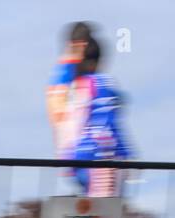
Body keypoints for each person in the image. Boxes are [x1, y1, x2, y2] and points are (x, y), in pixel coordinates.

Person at [67, 37, 132, 197]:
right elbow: (111, 123)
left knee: (89, 213)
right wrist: (126, 153)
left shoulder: (77, 86)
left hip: (81, 157)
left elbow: (73, 126)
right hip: (105, 156)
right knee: (105, 214)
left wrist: (70, 160)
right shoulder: (106, 83)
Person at [46, 21, 95, 163]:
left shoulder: (62, 71)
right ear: (82, 45)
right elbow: (58, 113)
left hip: (73, 149)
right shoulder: (67, 71)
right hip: (78, 149)